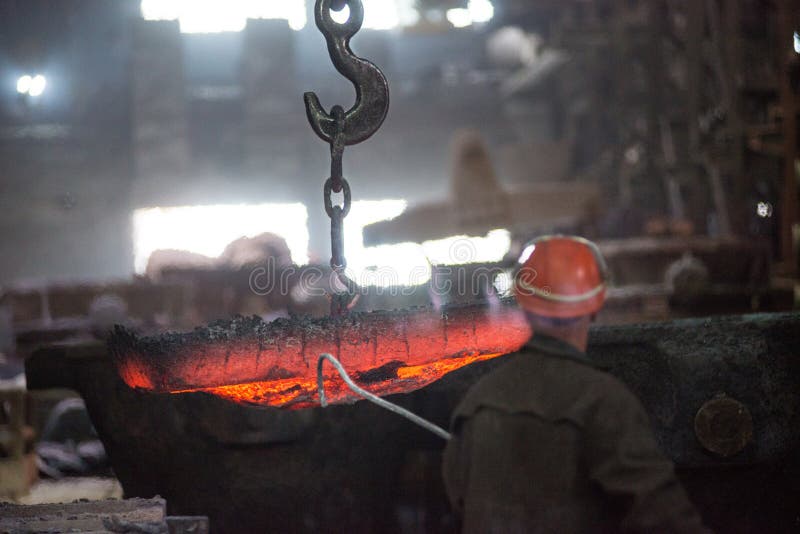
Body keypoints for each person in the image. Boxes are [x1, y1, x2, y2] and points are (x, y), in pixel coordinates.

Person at [442, 235, 710, 533]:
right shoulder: (604, 403)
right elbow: (664, 521)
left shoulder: (477, 402)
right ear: (595, 304)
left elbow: (459, 504)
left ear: (523, 305)